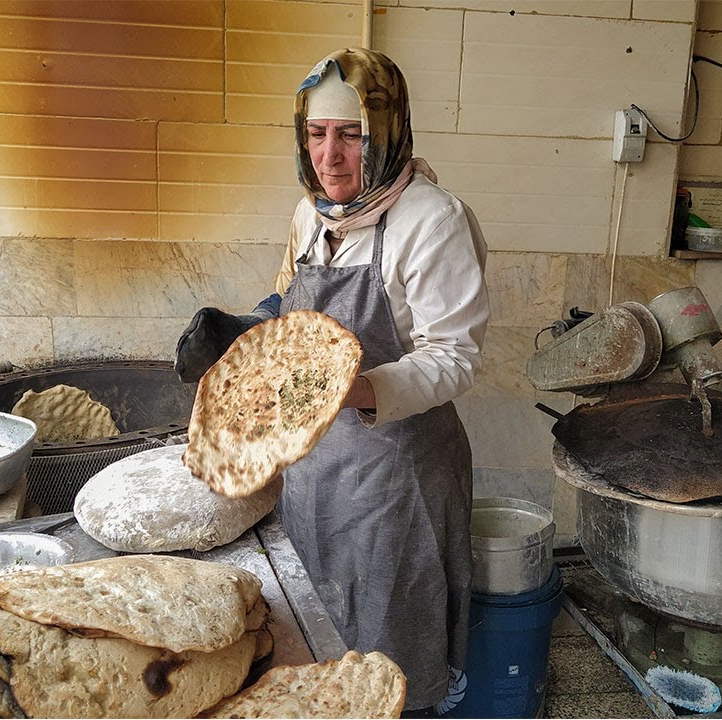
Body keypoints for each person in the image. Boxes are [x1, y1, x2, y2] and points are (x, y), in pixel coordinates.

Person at [176, 47, 489, 715]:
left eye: (351, 135)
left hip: (397, 479)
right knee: (314, 640)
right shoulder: (311, 214)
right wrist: (239, 331)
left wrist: (350, 386)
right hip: (315, 471)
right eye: (315, 135)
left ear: (387, 130)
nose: (330, 157)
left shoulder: (432, 222)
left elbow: (456, 354)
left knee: (392, 652)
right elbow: (290, 303)